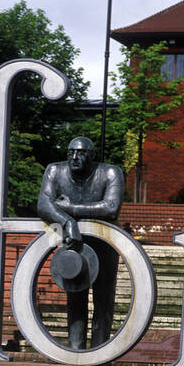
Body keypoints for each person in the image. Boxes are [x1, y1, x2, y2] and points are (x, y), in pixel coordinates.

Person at [36, 137, 125, 349]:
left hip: (104, 244)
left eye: (81, 153)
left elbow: (111, 208)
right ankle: (75, 351)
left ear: (91, 155)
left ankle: (99, 352)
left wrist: (71, 208)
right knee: (75, 299)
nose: (74, 158)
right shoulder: (54, 171)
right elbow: (43, 204)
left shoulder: (111, 173)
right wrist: (67, 222)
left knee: (103, 301)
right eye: (70, 153)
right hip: (74, 244)